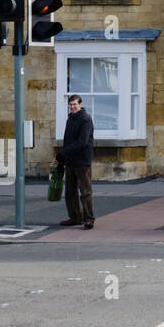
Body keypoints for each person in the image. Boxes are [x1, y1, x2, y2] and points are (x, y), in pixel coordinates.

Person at [56, 94, 95, 229]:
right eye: (71, 104)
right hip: (70, 161)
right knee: (69, 192)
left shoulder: (86, 119)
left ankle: (89, 219)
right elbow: (67, 141)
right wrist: (62, 159)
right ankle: (75, 217)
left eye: (75, 104)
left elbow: (82, 142)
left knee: (85, 191)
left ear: (81, 105)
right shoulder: (70, 119)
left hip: (83, 161)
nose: (72, 107)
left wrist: (64, 153)